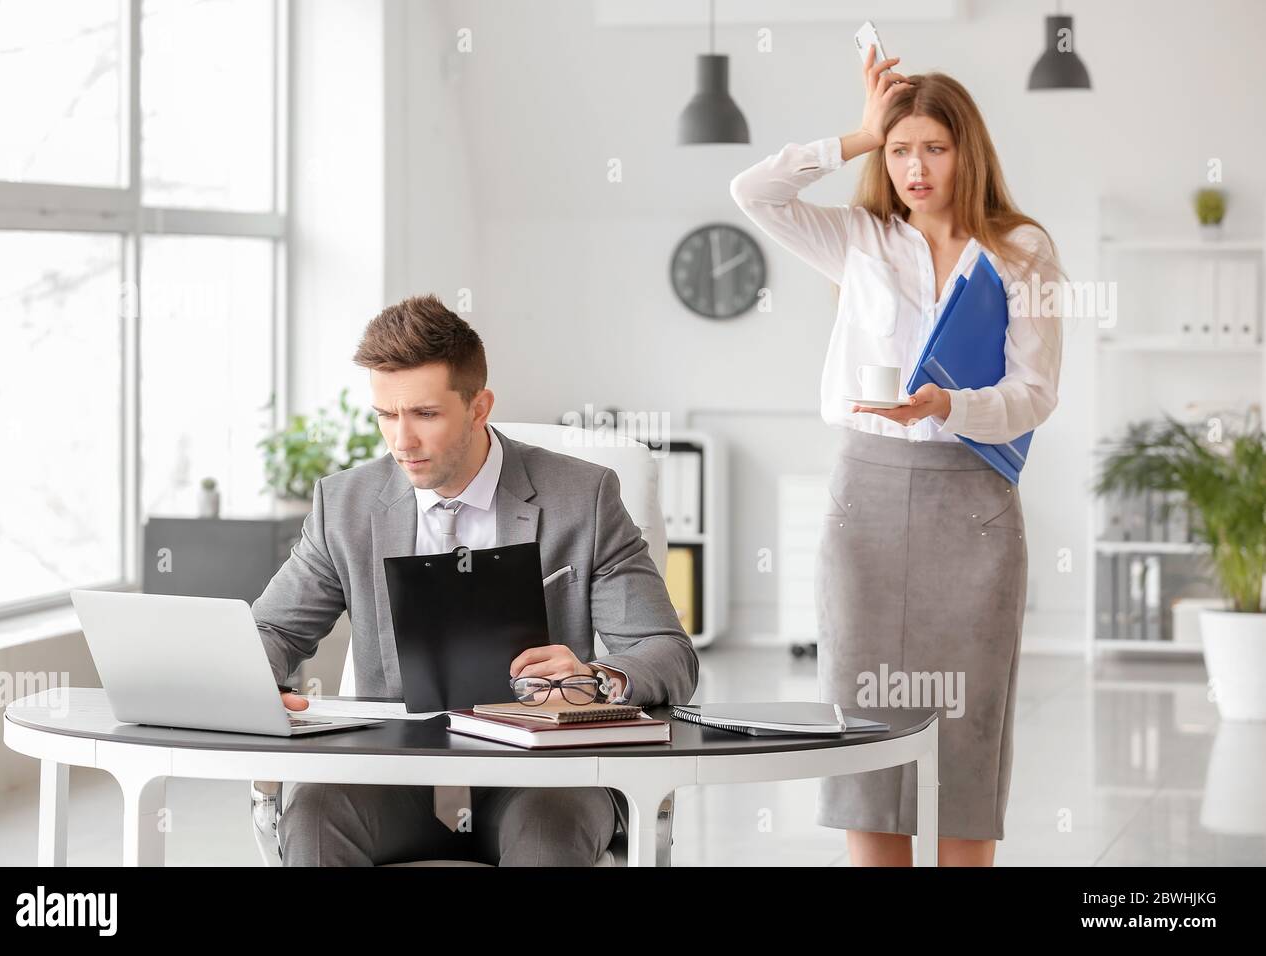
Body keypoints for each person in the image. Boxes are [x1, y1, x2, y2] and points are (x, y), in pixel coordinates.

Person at [730, 45, 1065, 866]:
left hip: (974, 498)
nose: (916, 167)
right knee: (865, 716)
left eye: (935, 148)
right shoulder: (859, 239)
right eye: (901, 148)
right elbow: (753, 191)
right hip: (866, 500)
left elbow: (1036, 393)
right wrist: (856, 133)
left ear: (968, 153)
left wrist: (952, 404)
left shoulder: (1021, 251)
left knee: (967, 717)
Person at [252, 294, 698, 866]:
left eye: (425, 414)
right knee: (312, 815)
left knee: (546, 834)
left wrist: (596, 677)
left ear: (479, 406)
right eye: (386, 415)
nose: (401, 441)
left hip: (541, 778)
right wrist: (251, 679)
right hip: (393, 773)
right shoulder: (344, 505)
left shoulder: (582, 498)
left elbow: (667, 653)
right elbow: (273, 629)